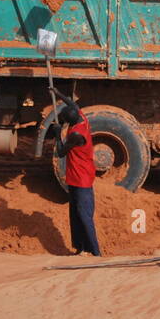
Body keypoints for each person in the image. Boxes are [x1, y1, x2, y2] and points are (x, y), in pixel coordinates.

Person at [52, 87, 100, 256]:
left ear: (68, 121)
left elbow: (60, 152)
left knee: (84, 215)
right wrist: (57, 94)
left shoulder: (76, 135)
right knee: (75, 215)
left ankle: (95, 252)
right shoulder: (81, 119)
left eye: (64, 120)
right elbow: (72, 104)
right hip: (76, 177)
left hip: (81, 180)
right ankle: (80, 248)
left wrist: (58, 134)